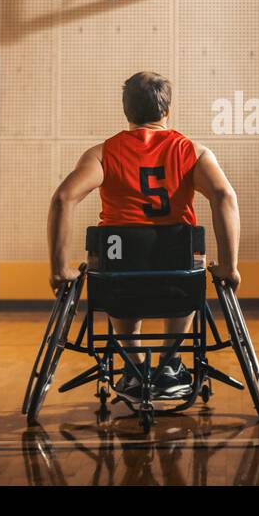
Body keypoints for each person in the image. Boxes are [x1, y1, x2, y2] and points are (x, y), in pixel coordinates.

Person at [48, 71, 240, 399]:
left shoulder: (102, 154)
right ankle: (169, 362)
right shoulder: (193, 152)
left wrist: (59, 269)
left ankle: (133, 366)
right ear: (167, 110)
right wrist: (229, 266)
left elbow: (63, 198)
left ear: (126, 111)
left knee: (119, 263)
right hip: (176, 277)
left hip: (121, 279)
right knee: (186, 257)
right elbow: (224, 196)